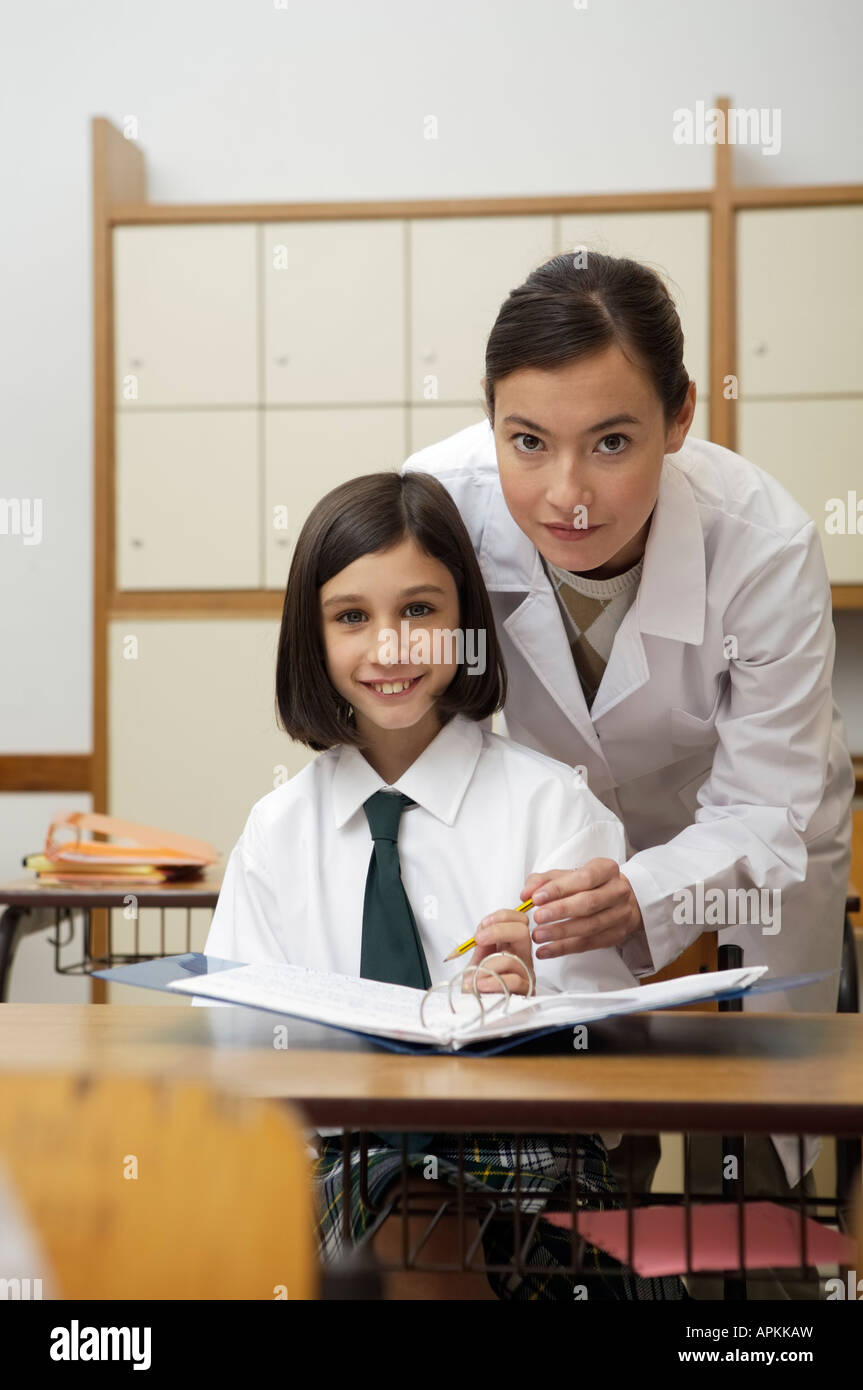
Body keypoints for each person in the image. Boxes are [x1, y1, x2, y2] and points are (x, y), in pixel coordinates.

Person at [402, 249, 855, 1298]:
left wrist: (640, 890)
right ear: (490, 420)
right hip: (556, 856)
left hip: (753, 856)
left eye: (611, 442)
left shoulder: (762, 543)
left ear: (679, 413)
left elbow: (767, 806)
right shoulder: (440, 507)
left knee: (748, 1184)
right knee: (580, 1157)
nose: (565, 495)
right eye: (527, 442)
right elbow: (409, 721)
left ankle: (760, 1315)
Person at [198, 468, 686, 1301]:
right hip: (340, 1167)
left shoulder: (551, 806)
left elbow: (611, 1080)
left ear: (466, 624)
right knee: (401, 1201)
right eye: (352, 617)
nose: (390, 648)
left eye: (420, 611)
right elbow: (234, 1055)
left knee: (428, 1216)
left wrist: (529, 1009)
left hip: (531, 1176)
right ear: (311, 639)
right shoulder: (277, 832)